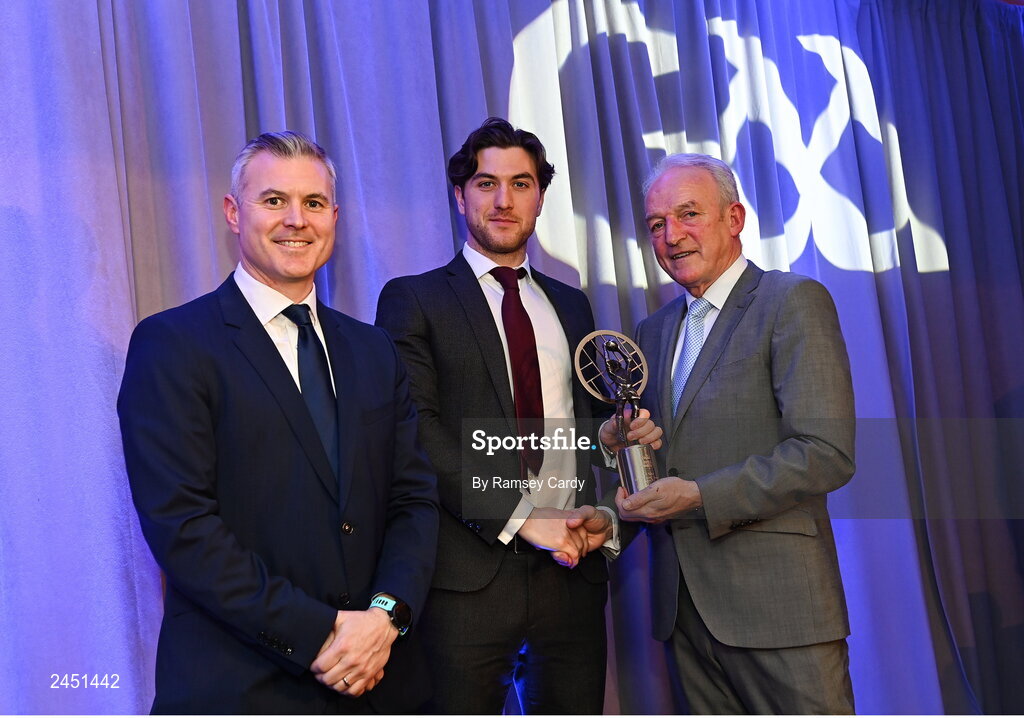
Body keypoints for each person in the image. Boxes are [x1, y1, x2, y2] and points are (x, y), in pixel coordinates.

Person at [117, 131, 439, 714]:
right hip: (241, 685)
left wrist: (384, 620)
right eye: (273, 201)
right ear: (233, 213)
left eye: (313, 203)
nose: (297, 220)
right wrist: (322, 633)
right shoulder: (173, 345)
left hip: (380, 680)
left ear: (334, 217)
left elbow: (413, 500)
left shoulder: (375, 351)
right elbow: (183, 527)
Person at [375, 117, 660, 714]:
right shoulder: (413, 299)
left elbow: (584, 433)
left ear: (539, 196)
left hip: (572, 577)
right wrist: (523, 517)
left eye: (521, 184)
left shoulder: (572, 304)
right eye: (485, 183)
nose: (503, 200)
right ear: (460, 196)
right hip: (466, 583)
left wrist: (610, 453)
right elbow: (415, 431)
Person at [571, 153, 856, 713]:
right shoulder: (652, 333)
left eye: (688, 214)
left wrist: (700, 496)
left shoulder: (791, 301)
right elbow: (656, 462)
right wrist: (615, 460)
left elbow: (825, 454)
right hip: (684, 620)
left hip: (782, 613)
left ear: (735, 218)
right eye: (657, 224)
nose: (671, 235)